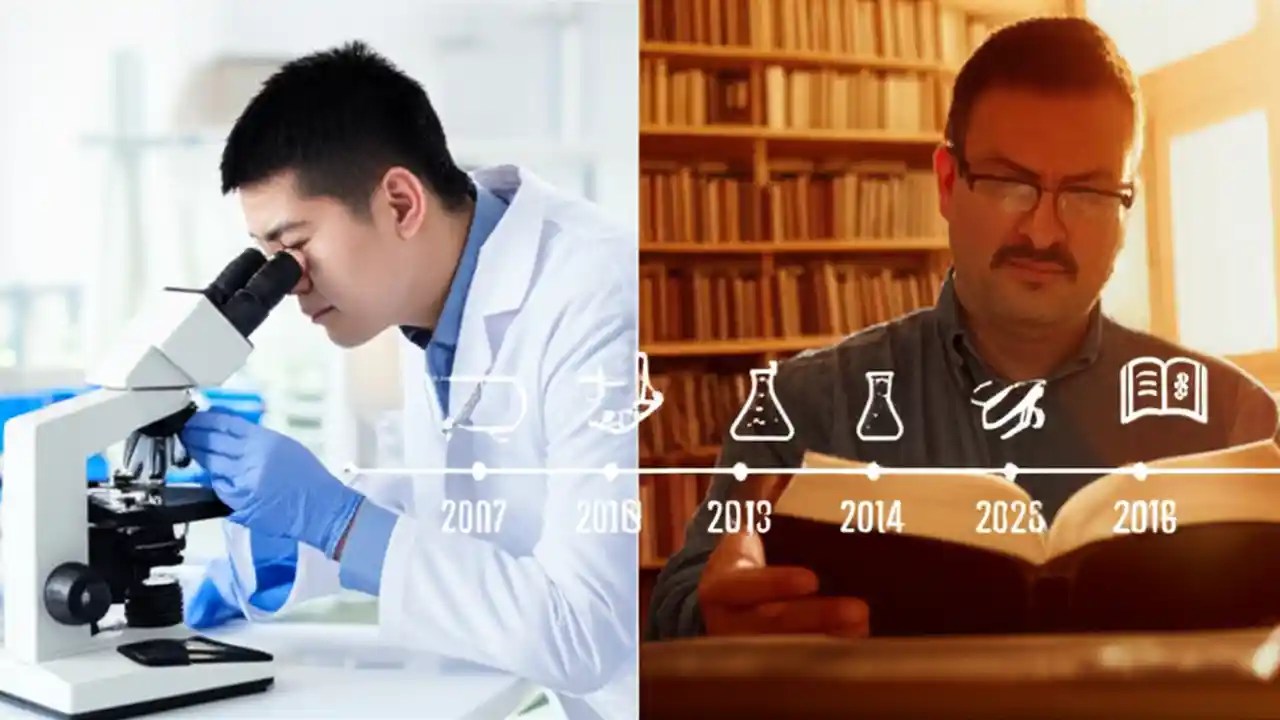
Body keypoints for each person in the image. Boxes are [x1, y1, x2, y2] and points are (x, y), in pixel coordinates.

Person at [647, 17, 1280, 641]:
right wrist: (713, 617)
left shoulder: (1238, 422)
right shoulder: (803, 404)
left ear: (1126, 209)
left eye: (1086, 193)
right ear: (948, 184)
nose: (1043, 231)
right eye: (1009, 182)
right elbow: (676, 604)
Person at [177, 42, 638, 719]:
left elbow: (583, 627)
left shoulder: (599, 297)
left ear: (399, 202)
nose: (287, 283)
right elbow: (472, 506)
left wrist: (335, 522)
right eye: (269, 258)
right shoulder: (432, 300)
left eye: (295, 246)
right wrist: (288, 542)